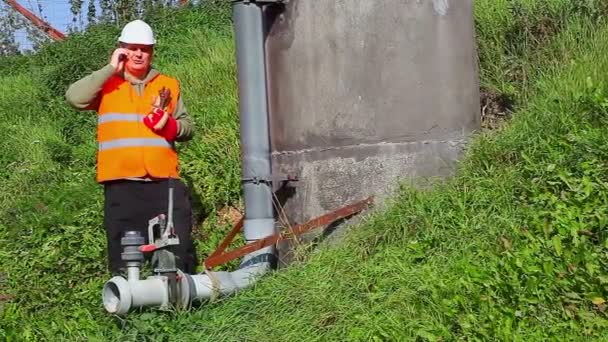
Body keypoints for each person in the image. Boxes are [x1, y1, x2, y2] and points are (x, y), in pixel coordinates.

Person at [65, 19, 197, 275]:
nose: (139, 53)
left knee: (177, 249)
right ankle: (129, 306)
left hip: (165, 183)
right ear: (121, 49)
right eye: (133, 48)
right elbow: (74, 98)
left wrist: (170, 126)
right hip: (122, 183)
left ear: (152, 52)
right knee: (125, 254)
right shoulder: (106, 84)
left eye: (145, 48)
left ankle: (179, 306)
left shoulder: (167, 84)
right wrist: (110, 68)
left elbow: (187, 127)